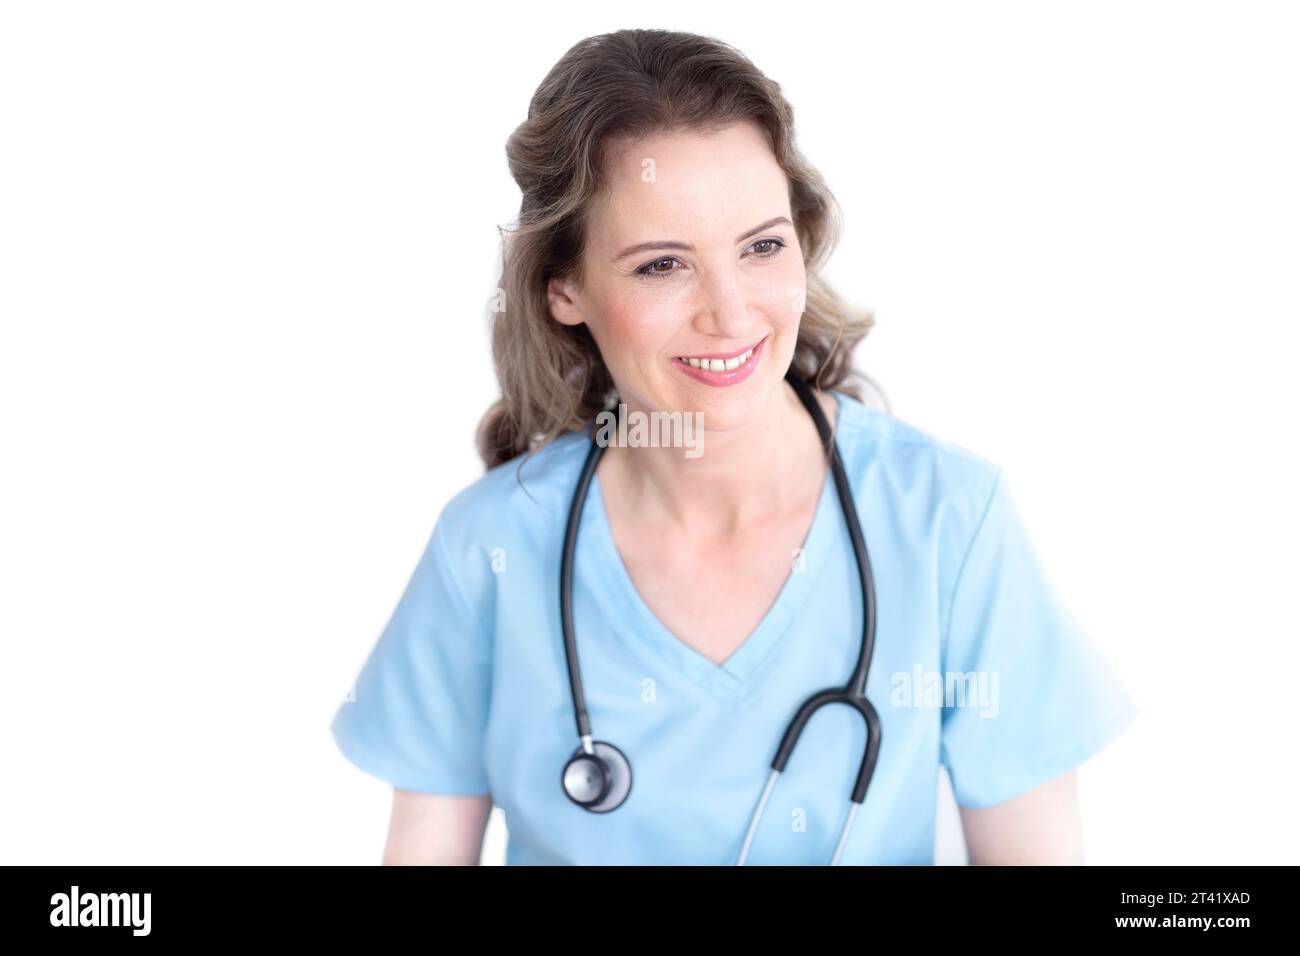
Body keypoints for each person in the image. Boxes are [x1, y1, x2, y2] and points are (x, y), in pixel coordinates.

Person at [329, 28, 1138, 865]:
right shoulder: (489, 551)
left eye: (760, 246)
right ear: (563, 288)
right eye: (661, 266)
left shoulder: (947, 524)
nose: (732, 313)